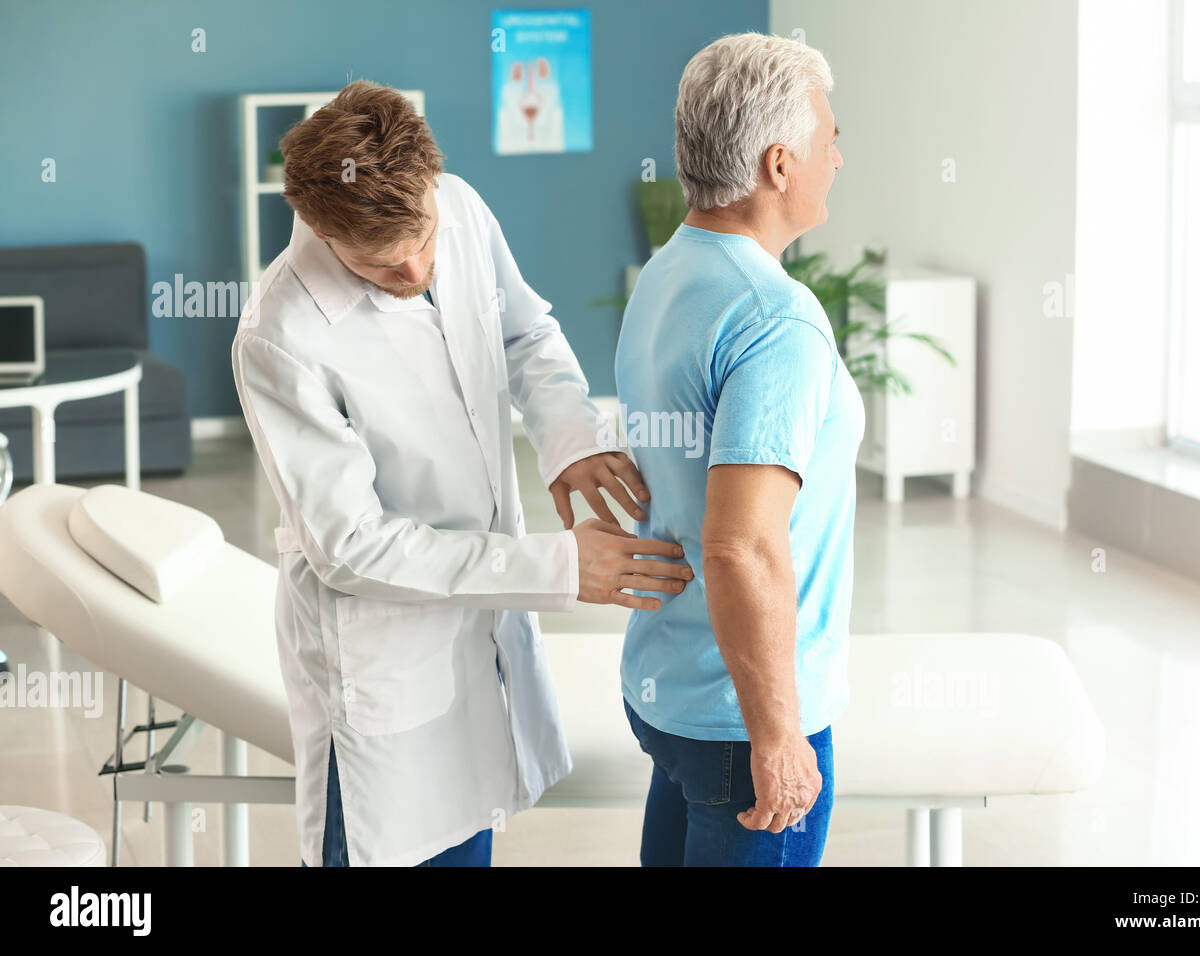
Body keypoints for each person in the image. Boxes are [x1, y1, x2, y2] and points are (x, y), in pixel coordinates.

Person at [231, 80, 692, 867]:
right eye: (382, 266)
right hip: (381, 670)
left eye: (426, 244)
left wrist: (570, 437)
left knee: (468, 837)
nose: (416, 271)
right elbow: (352, 548)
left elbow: (523, 333)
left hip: (475, 641)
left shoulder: (462, 207)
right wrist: (556, 565)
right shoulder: (281, 336)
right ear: (319, 226)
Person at [614, 33, 861, 866]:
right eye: (830, 139)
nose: (839, 156)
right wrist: (778, 736)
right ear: (779, 164)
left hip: (671, 691)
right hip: (737, 720)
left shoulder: (667, 272)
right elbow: (742, 545)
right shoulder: (774, 319)